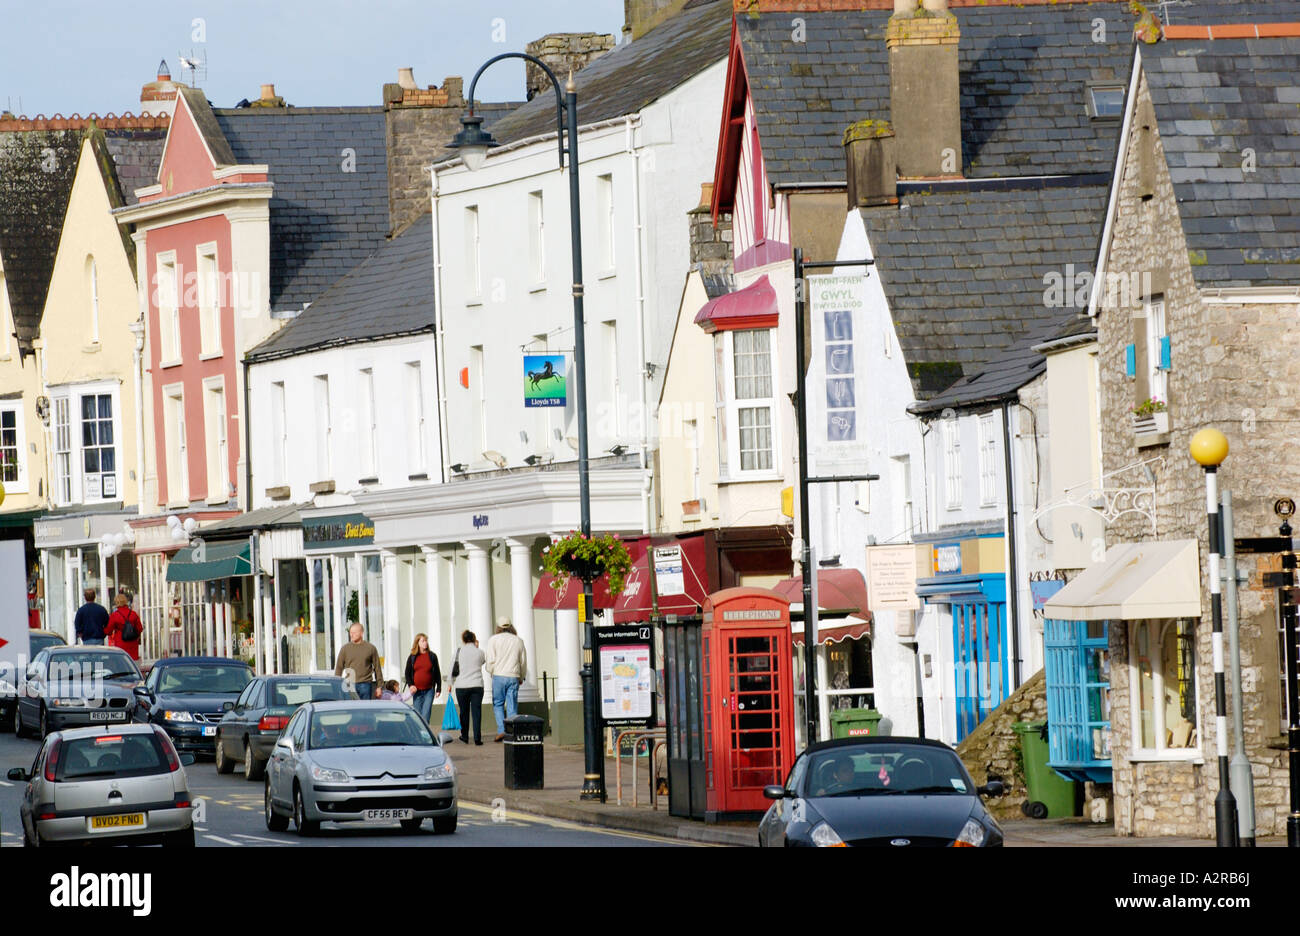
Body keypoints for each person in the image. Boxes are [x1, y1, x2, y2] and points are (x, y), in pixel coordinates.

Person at [483, 617, 527, 742]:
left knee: (498, 704)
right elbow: (523, 662)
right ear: (510, 626)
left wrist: (492, 672)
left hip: (498, 675)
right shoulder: (518, 640)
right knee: (512, 704)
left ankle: (502, 730)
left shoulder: (493, 640)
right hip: (513, 676)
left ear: (498, 627)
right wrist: (521, 676)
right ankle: (511, 731)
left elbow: (490, 660)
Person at [452, 630, 486, 745]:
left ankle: (465, 736)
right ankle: (477, 738)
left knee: (464, 711)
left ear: (463, 639)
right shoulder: (480, 652)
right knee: (477, 712)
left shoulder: (458, 652)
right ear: (473, 639)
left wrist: (450, 683)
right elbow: (482, 661)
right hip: (477, 685)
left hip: (462, 686)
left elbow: (453, 668)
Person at [334, 622, 383, 700]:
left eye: (354, 632)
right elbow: (339, 668)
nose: (351, 635)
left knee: (365, 709)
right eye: (350, 632)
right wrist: (336, 686)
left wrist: (379, 686)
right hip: (349, 685)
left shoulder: (370, 648)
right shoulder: (345, 649)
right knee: (351, 709)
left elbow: (377, 668)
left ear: (361, 633)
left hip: (366, 684)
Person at [404, 633, 441, 726]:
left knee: (426, 715)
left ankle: (425, 737)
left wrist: (439, 688)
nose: (425, 643)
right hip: (417, 691)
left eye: (426, 640)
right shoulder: (412, 657)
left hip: (429, 690)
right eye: (423, 641)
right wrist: (411, 685)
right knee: (418, 716)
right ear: (418, 643)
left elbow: (437, 673)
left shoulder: (432, 656)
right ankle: (418, 737)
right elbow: (407, 673)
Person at [104, 591, 142, 660]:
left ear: (117, 603)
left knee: (122, 662)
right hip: (133, 643)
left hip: (120, 643)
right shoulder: (133, 614)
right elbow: (140, 628)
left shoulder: (115, 615)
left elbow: (108, 631)